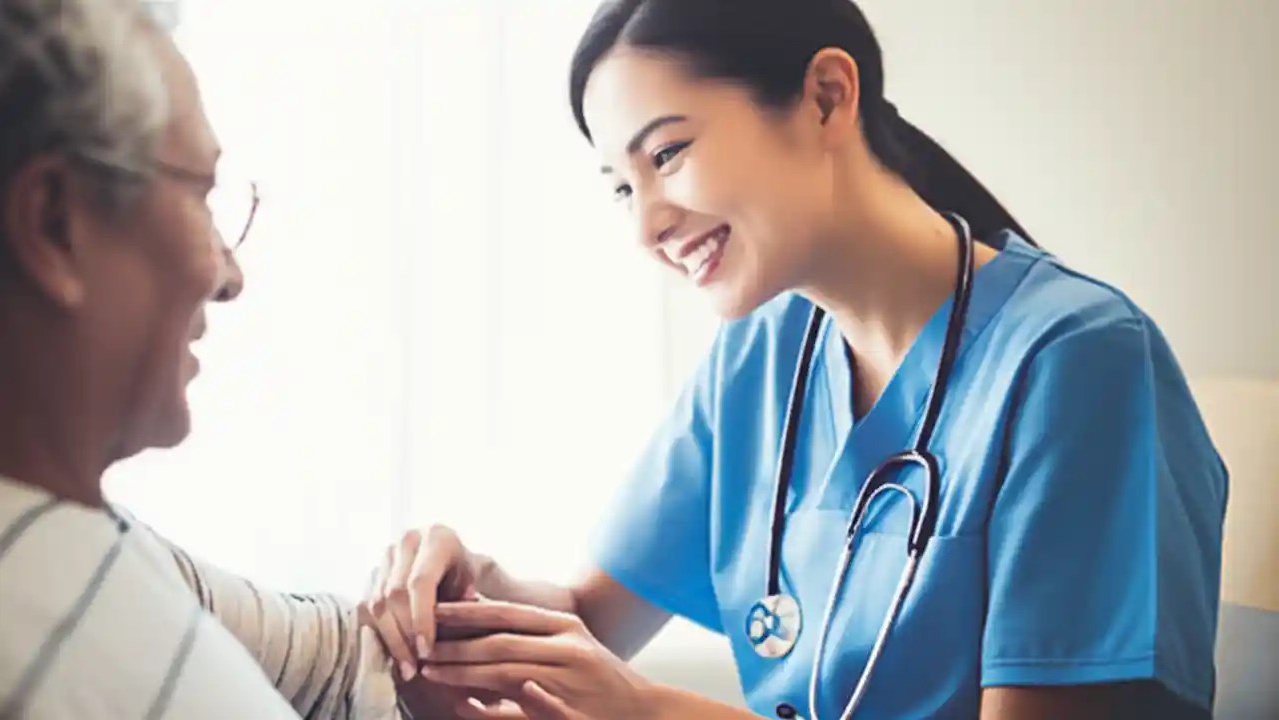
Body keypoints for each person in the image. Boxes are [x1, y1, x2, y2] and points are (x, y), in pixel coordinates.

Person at [362, 1, 1228, 719]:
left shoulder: (1077, 365)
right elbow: (590, 619)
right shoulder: (761, 357)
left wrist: (650, 711)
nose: (646, 226)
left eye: (668, 154)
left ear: (824, 96)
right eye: (623, 187)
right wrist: (468, 601)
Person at [0, 1, 457, 717]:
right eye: (200, 196)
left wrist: (445, 617)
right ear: (54, 223)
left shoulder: (106, 541)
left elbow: (350, 662)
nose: (229, 274)